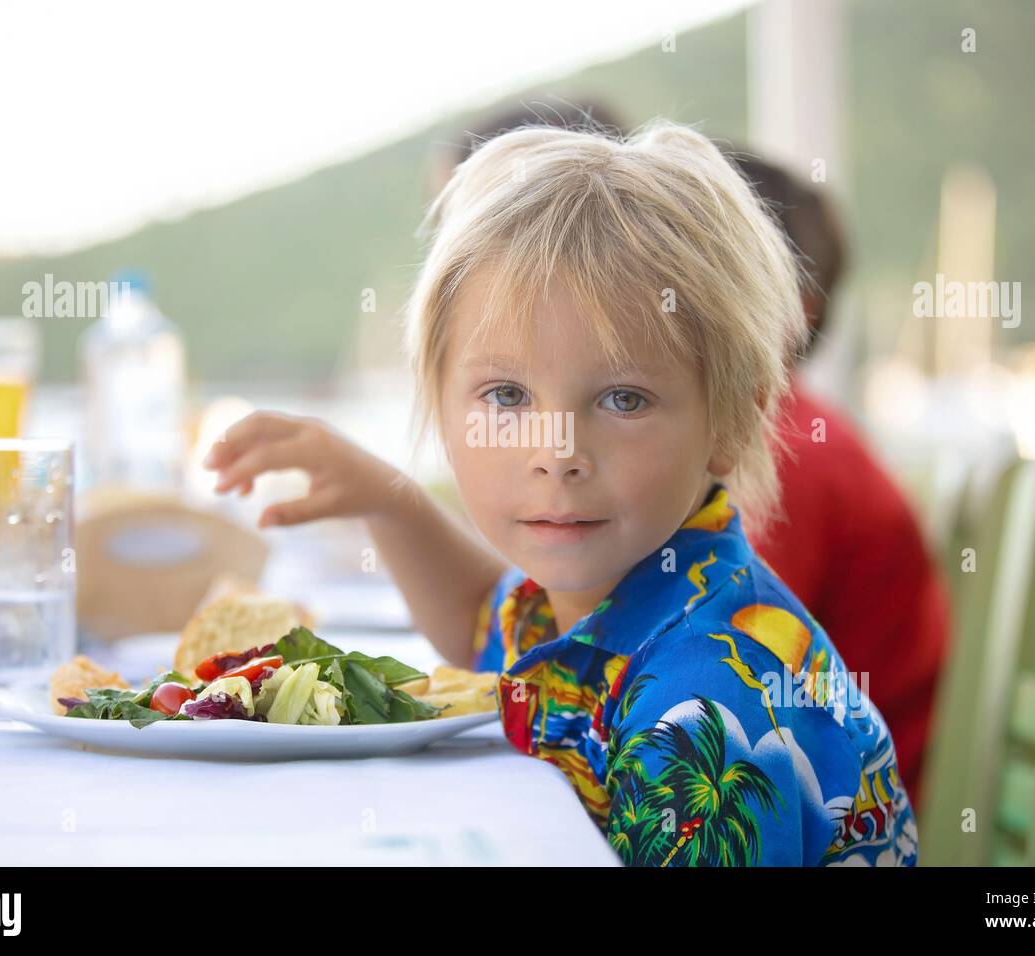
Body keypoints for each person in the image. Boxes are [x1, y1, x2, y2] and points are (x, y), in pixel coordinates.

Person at [205, 120, 918, 866]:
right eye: (507, 394)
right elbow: (482, 620)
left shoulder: (704, 701)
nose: (556, 454)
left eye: (623, 400)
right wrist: (386, 497)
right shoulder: (624, 594)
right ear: (439, 407)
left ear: (731, 422)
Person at [726, 153, 950, 812]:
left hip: (850, 815)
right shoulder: (804, 430)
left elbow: (730, 680)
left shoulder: (781, 455)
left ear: (795, 309)